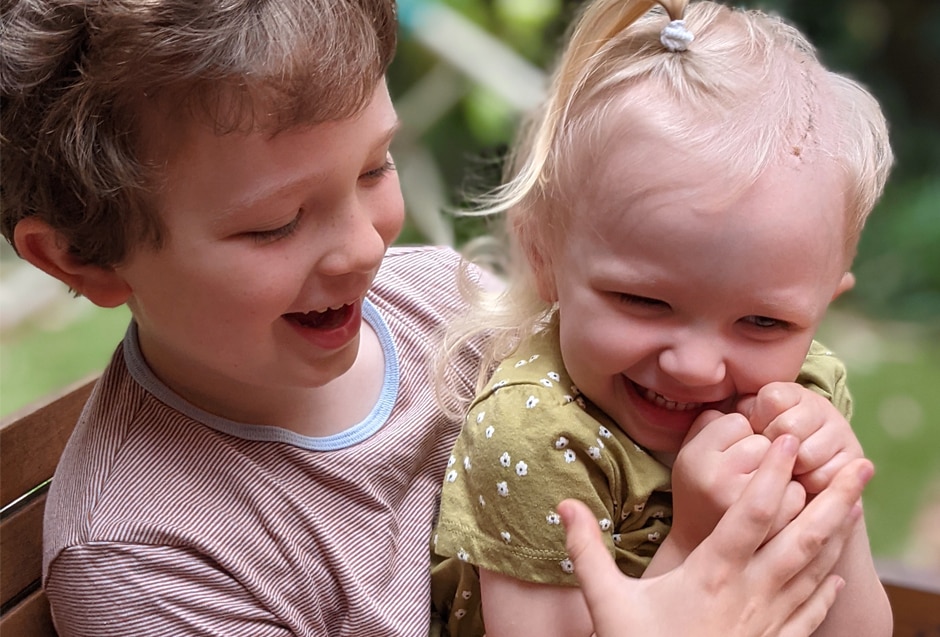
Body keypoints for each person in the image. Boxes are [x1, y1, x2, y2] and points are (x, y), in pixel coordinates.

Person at [0, 1, 882, 636]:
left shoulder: (447, 301)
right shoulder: (150, 564)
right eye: (275, 222)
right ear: (80, 258)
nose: (364, 247)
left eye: (375, 168)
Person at [430, 0, 894, 635]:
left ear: (820, 309)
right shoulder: (538, 437)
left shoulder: (798, 398)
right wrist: (698, 541)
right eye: (645, 302)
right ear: (544, 258)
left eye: (764, 324)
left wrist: (838, 506)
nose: (696, 367)